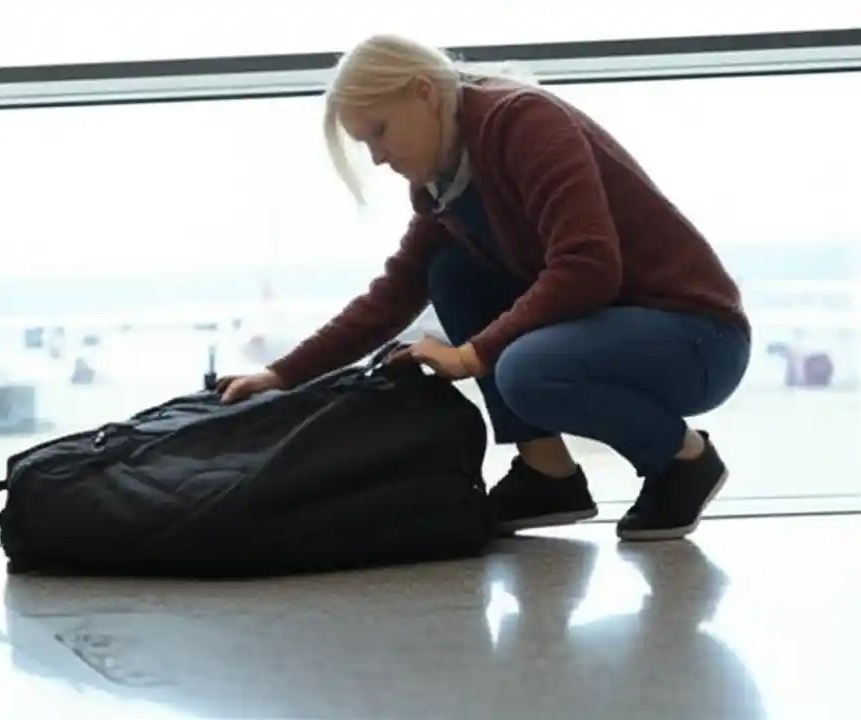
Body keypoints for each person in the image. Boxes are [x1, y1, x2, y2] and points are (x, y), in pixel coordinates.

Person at [216, 34, 751, 542]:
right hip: (619, 333)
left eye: (379, 131)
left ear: (424, 93)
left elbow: (588, 265)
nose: (377, 157)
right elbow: (391, 298)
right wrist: (281, 374)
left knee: (525, 369)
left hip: (698, 337)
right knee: (449, 271)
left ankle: (684, 463)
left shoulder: (522, 121)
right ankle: (548, 476)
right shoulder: (443, 185)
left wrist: (474, 355)